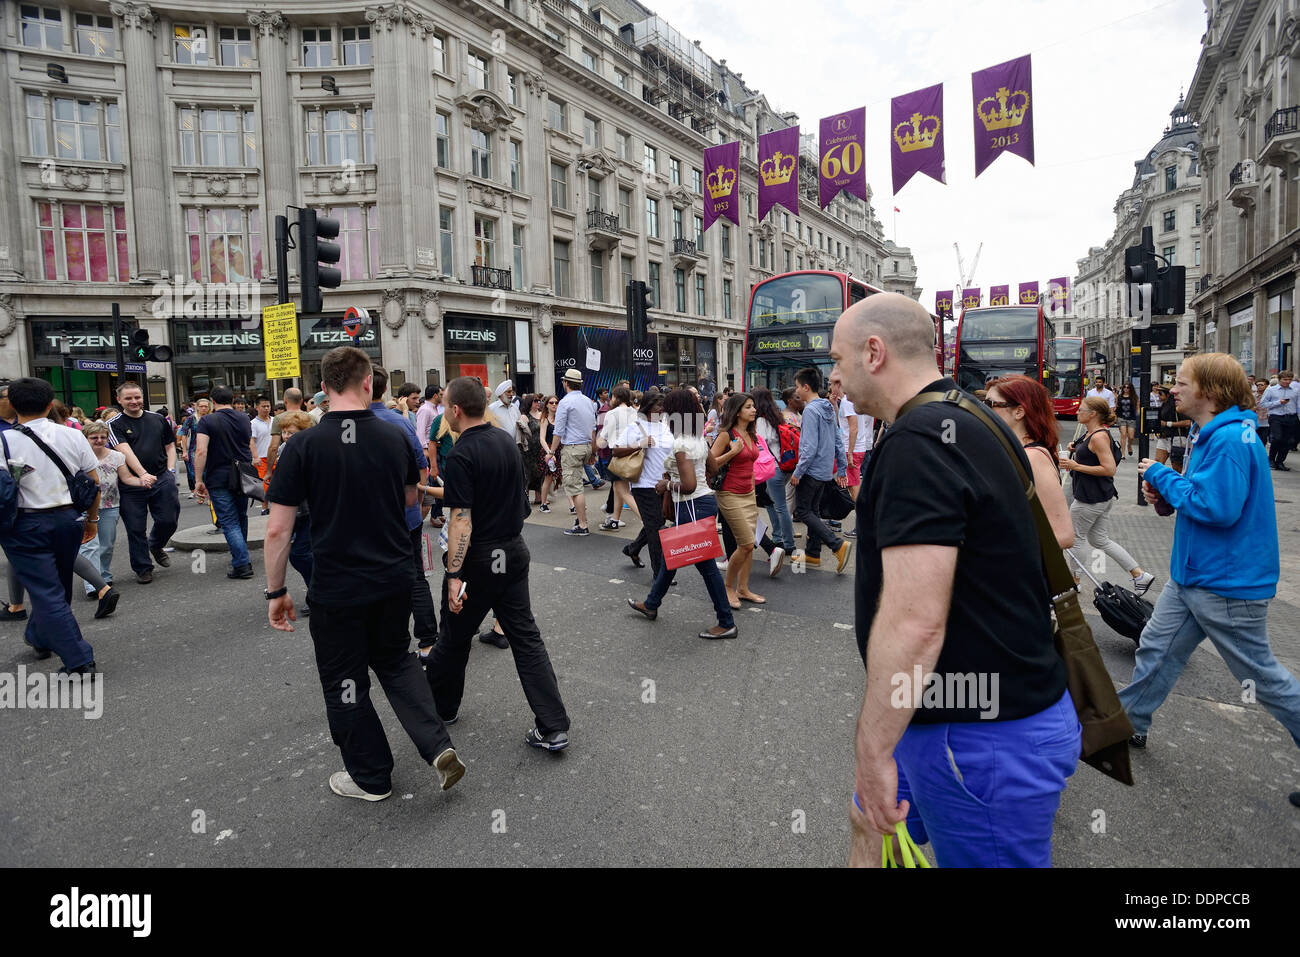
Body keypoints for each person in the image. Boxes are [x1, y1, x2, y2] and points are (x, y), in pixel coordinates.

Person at [831, 293, 1079, 869]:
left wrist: (871, 748)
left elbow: (916, 621)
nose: (832, 375)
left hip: (978, 735)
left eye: (838, 360)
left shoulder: (920, 441)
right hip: (950, 716)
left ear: (875, 352)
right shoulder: (969, 414)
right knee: (870, 830)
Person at [266, 346, 465, 800]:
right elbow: (412, 502)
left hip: (338, 584)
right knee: (397, 661)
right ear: (367, 384)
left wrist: (275, 590)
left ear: (322, 388)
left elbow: (278, 528)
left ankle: (371, 776)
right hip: (394, 574)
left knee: (345, 679)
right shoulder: (395, 435)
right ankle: (438, 746)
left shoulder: (302, 445)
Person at [1128, 354, 1300, 769]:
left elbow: (1218, 509)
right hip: (1194, 576)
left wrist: (1161, 477)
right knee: (1156, 648)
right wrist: (1167, 500)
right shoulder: (1214, 433)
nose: (1173, 389)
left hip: (1225, 585)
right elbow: (1201, 499)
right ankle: (1126, 723)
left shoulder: (1226, 440)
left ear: (1209, 391)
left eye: (1181, 383)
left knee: (1263, 678)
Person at [423, 376, 572, 751]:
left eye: (446, 408)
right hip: (512, 550)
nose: (445, 414)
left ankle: (440, 707)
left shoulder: (460, 454)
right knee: (525, 637)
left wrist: (454, 575)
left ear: (455, 410)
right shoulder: (504, 440)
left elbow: (461, 518)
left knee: (454, 638)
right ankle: (553, 726)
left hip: (480, 558)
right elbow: (518, 501)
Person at [0, 378, 102, 673]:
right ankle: (40, 637)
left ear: (13, 405)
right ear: (50, 404)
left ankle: (79, 659)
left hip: (25, 523)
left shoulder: (5, 440)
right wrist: (91, 520)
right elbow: (93, 482)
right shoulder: (72, 434)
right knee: (57, 587)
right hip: (67, 519)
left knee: (47, 591)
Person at [626, 388, 738, 639]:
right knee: (671, 557)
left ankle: (726, 621)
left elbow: (688, 485)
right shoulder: (697, 437)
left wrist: (667, 484)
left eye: (668, 410)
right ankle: (652, 604)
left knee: (706, 566)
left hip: (691, 505)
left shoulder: (680, 444)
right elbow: (712, 467)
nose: (664, 413)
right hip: (704, 503)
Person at [369, 366, 440, 658]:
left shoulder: (344, 423)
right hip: (406, 515)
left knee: (374, 579)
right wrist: (423, 502)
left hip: (369, 521)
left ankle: (384, 643)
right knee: (414, 576)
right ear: (384, 390)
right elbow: (420, 466)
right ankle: (427, 642)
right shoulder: (400, 422)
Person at [1062, 397, 1154, 591]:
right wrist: (1075, 448)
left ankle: (1074, 582)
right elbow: (1089, 451)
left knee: (1076, 539)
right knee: (1099, 540)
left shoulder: (1098, 436)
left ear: (1093, 414)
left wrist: (1075, 465)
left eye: (1082, 410)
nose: (1078, 411)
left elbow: (1109, 468)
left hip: (1090, 498)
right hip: (1101, 496)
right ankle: (1139, 575)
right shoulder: (1092, 433)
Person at [985, 376, 1073, 549]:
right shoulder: (1013, 449)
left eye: (990, 405)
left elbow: (1063, 535)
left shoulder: (1033, 457)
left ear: (1019, 412)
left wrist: (994, 548)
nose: (983, 410)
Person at [108, 381, 178, 585]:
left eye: (137, 397)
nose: (133, 401)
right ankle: (143, 568)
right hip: (130, 484)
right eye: (128, 398)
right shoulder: (114, 424)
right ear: (119, 399)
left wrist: (171, 470)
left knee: (169, 520)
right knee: (136, 528)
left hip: (161, 477)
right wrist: (142, 474)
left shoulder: (158, 419)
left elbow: (170, 446)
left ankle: (156, 545)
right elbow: (124, 450)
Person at [790, 367, 852, 573]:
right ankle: (813, 554)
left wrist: (797, 473)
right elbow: (838, 440)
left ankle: (837, 545)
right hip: (825, 471)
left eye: (798, 386)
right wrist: (841, 468)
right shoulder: (828, 407)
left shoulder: (810, 410)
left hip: (811, 471)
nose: (797, 390)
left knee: (803, 511)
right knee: (813, 511)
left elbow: (808, 448)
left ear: (806, 387)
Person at [193, 386, 256, 580]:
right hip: (242, 474)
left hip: (219, 475)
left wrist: (198, 480)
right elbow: (248, 443)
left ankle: (242, 564)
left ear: (212, 400)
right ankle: (241, 555)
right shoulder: (244, 418)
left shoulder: (207, 420)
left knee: (228, 521)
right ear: (232, 399)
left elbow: (201, 451)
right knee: (241, 516)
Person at [711, 393, 765, 607]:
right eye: (748, 407)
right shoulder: (727, 434)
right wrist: (732, 453)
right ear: (737, 410)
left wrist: (752, 488)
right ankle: (728, 587)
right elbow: (712, 463)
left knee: (750, 545)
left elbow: (751, 464)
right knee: (746, 543)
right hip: (729, 494)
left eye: (753, 406)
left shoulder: (750, 432)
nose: (753, 410)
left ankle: (743, 589)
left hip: (748, 494)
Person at [77, 420, 133, 614]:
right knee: (89, 545)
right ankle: (93, 585)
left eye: (103, 437)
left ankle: (104, 575)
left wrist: (142, 480)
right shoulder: (78, 457)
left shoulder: (117, 456)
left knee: (107, 544)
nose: (99, 440)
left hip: (110, 505)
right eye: (94, 437)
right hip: (85, 507)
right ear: (85, 439)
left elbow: (126, 478)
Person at [616, 390, 672, 574]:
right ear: (648, 406)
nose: (662, 409)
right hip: (644, 485)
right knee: (657, 529)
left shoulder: (665, 426)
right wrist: (640, 444)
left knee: (655, 523)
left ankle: (633, 549)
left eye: (663, 405)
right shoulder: (635, 427)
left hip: (664, 484)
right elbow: (615, 451)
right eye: (658, 405)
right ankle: (660, 574)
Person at [549, 369, 598, 536]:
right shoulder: (588, 401)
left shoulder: (565, 402)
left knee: (575, 488)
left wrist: (551, 451)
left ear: (566, 383)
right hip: (586, 445)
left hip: (572, 448)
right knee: (577, 485)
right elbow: (593, 429)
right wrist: (593, 451)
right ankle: (580, 519)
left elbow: (559, 431)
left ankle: (582, 524)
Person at [753, 387, 792, 570]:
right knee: (771, 503)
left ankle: (786, 542)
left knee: (779, 506)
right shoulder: (777, 415)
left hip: (771, 467)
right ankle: (779, 538)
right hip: (783, 465)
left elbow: (761, 441)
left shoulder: (761, 419)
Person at [597, 385, 639, 530]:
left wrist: (597, 445)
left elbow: (603, 437)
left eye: (612, 396)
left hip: (617, 454)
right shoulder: (635, 412)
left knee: (624, 492)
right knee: (618, 488)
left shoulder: (612, 414)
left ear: (617, 397)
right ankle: (614, 519)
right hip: (632, 453)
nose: (610, 399)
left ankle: (647, 522)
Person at [833, 371, 874, 513]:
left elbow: (853, 428)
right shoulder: (851, 400)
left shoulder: (847, 401)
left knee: (853, 485)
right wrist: (834, 404)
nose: (830, 387)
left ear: (839, 385)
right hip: (855, 447)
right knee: (852, 483)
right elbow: (844, 423)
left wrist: (849, 452)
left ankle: (862, 521)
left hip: (852, 448)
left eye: (832, 384)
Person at [1260, 369, 1300, 470]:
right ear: (1279, 379)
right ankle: (1271, 459)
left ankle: (1280, 461)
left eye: (1289, 379)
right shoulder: (1271, 390)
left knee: (1289, 441)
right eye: (1285, 379)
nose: (1287, 382)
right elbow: (1263, 403)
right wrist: (1278, 402)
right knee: (1277, 438)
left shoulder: (1295, 390)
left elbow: (1298, 405)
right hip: (1276, 417)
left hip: (1291, 416)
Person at [177, 398, 212, 497]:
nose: (204, 408)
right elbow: (183, 434)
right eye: (201, 406)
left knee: (208, 472)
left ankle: (207, 494)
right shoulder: (191, 418)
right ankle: (202, 491)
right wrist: (184, 451)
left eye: (206, 406)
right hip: (194, 450)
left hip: (210, 449)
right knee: (194, 473)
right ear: (197, 407)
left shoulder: (211, 418)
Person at [1154, 385, 1191, 470]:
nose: (1158, 395)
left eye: (1160, 393)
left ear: (1168, 394)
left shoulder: (1177, 406)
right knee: (1157, 463)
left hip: (1176, 438)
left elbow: (1188, 422)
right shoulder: (1163, 405)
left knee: (1177, 467)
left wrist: (1168, 424)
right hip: (1164, 438)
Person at [266, 387, 304, 472]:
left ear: (285, 401)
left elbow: (274, 447)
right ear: (301, 401)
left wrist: (268, 471)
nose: (286, 436)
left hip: (289, 465)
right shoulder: (311, 417)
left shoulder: (279, 418)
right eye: (284, 432)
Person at [538, 395, 560, 511]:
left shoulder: (560, 419)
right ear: (546, 404)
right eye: (551, 403)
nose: (554, 405)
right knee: (549, 478)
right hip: (549, 450)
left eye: (556, 403)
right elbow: (542, 438)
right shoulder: (544, 419)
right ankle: (543, 503)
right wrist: (550, 453)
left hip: (560, 450)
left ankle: (573, 505)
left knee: (565, 477)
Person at [1116, 383, 1138, 458]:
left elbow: (1138, 407)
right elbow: (1116, 406)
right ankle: (1123, 454)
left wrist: (1138, 415)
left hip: (1131, 418)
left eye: (1128, 387)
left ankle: (1129, 445)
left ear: (1130, 389)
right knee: (1123, 435)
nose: (1126, 389)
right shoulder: (1119, 397)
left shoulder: (1134, 397)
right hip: (1121, 417)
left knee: (1131, 437)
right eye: (1124, 387)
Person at [1253, 380, 1271, 446]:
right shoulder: (1253, 395)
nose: (1259, 387)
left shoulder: (1269, 395)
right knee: (1255, 439)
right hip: (1255, 420)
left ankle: (1261, 452)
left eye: (1261, 385)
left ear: (1266, 385)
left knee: (1263, 439)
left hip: (1266, 420)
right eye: (1258, 385)